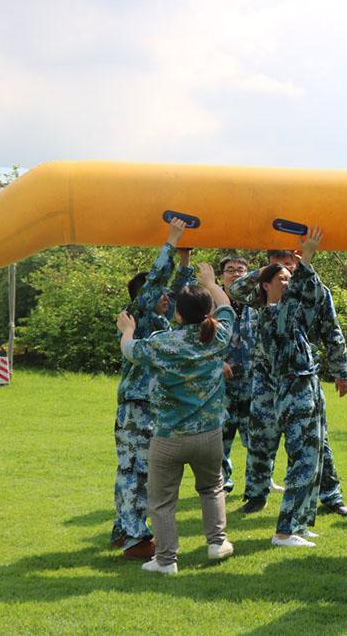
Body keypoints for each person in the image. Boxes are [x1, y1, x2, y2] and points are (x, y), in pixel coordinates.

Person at [117, 261, 235, 575]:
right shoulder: (217, 336)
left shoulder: (162, 342)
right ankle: (217, 543)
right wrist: (210, 283)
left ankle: (166, 560)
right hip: (209, 434)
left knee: (162, 501)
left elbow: (130, 350)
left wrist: (127, 330)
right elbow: (226, 307)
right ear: (207, 312)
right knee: (211, 488)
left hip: (168, 436)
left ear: (178, 315)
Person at [229, 248, 347, 515]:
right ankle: (256, 495)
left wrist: (340, 370)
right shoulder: (264, 292)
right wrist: (261, 273)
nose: (287, 267)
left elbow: (331, 330)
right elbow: (236, 290)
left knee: (316, 440)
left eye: (289, 262)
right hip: (266, 378)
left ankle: (331, 496)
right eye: (278, 264)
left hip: (301, 377)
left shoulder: (313, 290)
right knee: (260, 438)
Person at [110, 218, 192, 561]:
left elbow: (177, 298)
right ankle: (134, 539)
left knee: (135, 469)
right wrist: (170, 241)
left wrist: (185, 262)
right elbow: (157, 283)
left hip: (148, 405)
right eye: (160, 295)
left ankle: (123, 530)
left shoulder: (157, 320)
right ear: (144, 298)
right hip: (137, 406)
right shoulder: (139, 315)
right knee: (136, 470)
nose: (166, 298)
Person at [254, 229, 332, 546]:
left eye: (290, 278)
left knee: (313, 459)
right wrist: (307, 257)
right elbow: (298, 296)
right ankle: (284, 531)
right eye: (281, 279)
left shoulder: (290, 314)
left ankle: (299, 523)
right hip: (293, 391)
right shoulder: (272, 315)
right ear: (266, 285)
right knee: (302, 460)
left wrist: (307, 267)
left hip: (306, 386)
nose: (287, 283)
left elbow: (313, 295)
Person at [217, 255, 257, 499]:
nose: (235, 274)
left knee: (256, 435)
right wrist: (216, 361)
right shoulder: (212, 303)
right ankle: (223, 481)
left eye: (241, 270)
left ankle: (259, 481)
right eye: (230, 270)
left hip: (253, 381)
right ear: (221, 276)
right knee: (221, 435)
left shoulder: (257, 301)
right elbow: (199, 337)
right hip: (221, 383)